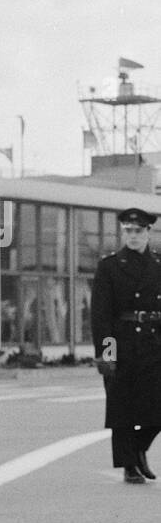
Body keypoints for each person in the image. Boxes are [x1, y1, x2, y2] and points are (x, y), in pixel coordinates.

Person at [90, 206, 161, 483]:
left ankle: (139, 447)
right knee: (122, 409)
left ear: (148, 232)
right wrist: (106, 354)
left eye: (138, 231)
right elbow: (100, 315)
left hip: (153, 344)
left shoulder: (158, 266)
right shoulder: (109, 267)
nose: (133, 236)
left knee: (156, 408)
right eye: (128, 231)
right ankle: (129, 465)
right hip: (121, 343)